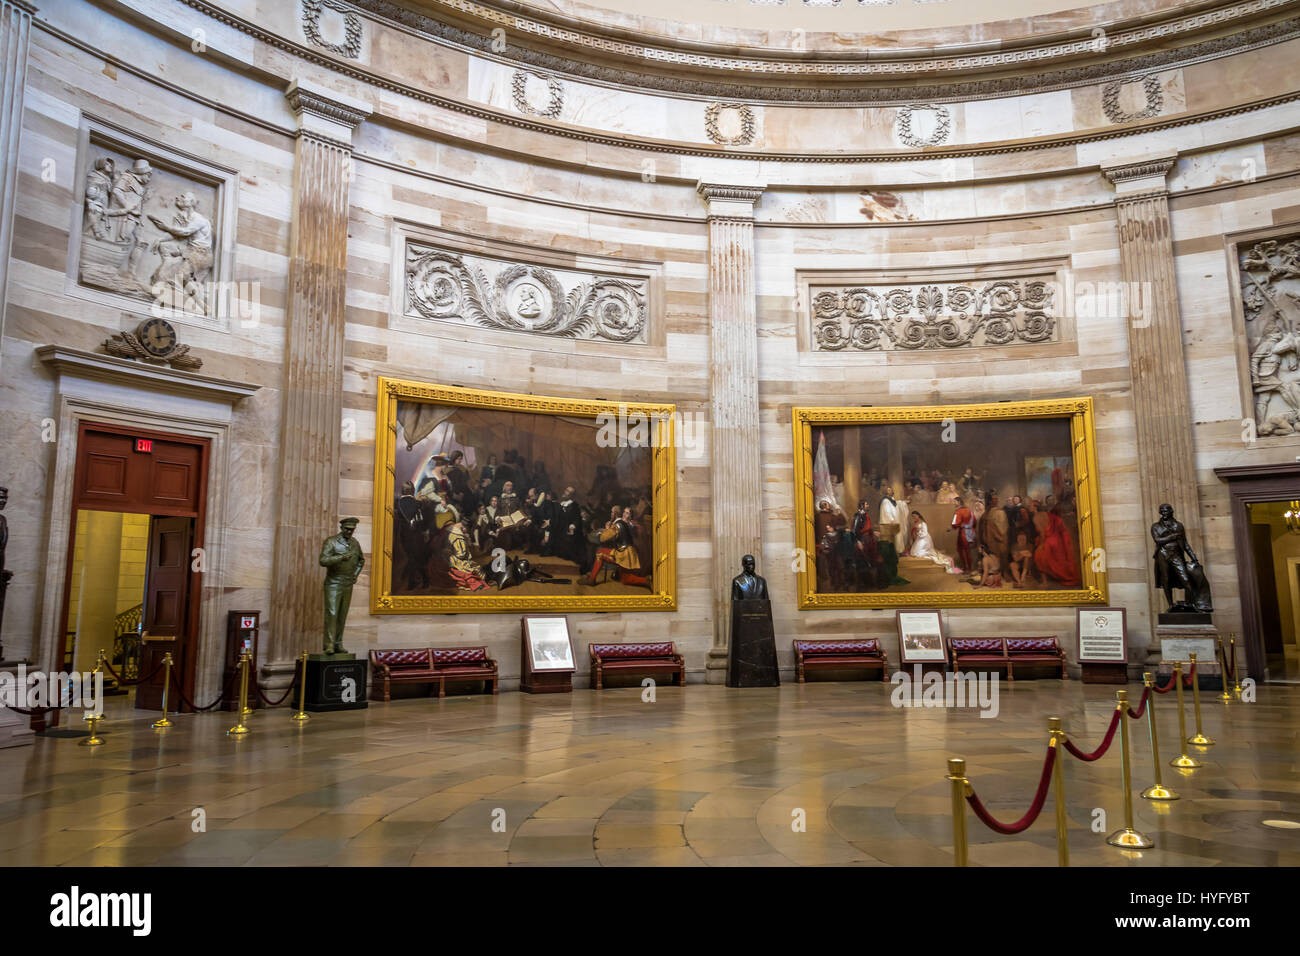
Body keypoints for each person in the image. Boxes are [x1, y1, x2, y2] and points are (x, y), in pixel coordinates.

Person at [1151, 503, 1213, 612]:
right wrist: (1172, 536)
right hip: (1163, 554)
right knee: (1166, 580)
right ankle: (1170, 605)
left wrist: (1194, 557)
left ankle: (1190, 604)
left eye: (1165, 511)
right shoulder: (1156, 526)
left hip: (1176, 555)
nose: (1163, 513)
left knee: (1185, 579)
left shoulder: (1178, 525)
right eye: (1161, 511)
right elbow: (1157, 540)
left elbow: (1185, 544)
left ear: (1171, 511)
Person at [319, 517, 364, 655]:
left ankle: (338, 643)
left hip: (347, 583)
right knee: (332, 613)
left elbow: (361, 560)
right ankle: (329, 645)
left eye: (352, 530)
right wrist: (340, 558)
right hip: (333, 583)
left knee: (342, 615)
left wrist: (355, 575)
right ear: (341, 528)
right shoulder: (331, 542)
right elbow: (323, 560)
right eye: (347, 529)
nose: (349, 532)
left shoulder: (355, 543)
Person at [585, 507, 649, 588]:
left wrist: (607, 529)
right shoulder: (630, 524)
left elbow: (603, 538)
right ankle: (646, 580)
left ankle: (591, 580)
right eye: (624, 512)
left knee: (599, 553)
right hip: (630, 553)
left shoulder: (618, 525)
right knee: (625, 579)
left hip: (623, 553)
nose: (624, 514)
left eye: (627, 513)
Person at [950, 496, 976, 572]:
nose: (953, 503)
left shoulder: (958, 511)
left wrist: (952, 527)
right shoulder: (969, 510)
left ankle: (966, 568)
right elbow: (974, 521)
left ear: (959, 502)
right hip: (970, 532)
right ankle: (970, 568)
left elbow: (955, 523)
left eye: (954, 502)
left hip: (963, 533)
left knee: (962, 551)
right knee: (968, 551)